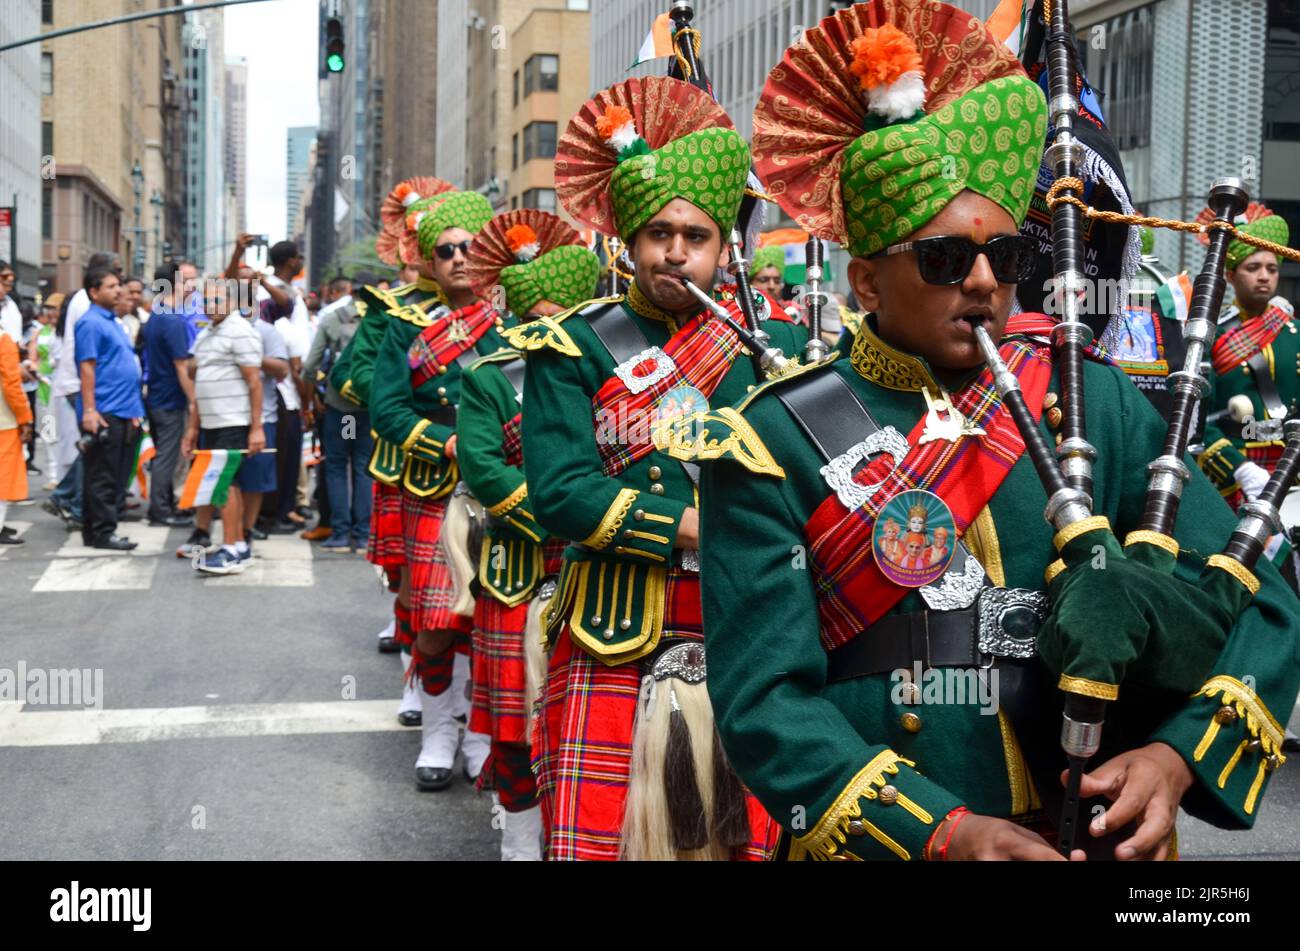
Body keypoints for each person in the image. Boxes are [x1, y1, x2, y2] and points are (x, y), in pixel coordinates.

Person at [687, 0, 1300, 861]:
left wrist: (1175, 756)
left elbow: (1255, 593)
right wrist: (942, 832)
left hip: (1096, 833)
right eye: (943, 259)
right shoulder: (773, 439)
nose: (983, 281)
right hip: (896, 835)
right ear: (866, 281)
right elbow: (764, 702)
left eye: (1006, 257)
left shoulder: (1095, 399)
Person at [507, 74, 805, 861]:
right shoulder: (572, 345)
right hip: (613, 629)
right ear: (628, 243)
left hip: (738, 626)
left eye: (696, 236)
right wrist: (696, 525)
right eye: (658, 233)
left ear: (723, 247)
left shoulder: (769, 353)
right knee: (598, 847)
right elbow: (564, 494)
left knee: (735, 844)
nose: (676, 251)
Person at [454, 209, 602, 859]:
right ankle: (518, 842)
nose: (547, 325)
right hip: (520, 570)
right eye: (536, 312)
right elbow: (483, 464)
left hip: (598, 569)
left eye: (559, 312)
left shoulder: (607, 371)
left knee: (582, 720)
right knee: (516, 725)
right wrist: (564, 508)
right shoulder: (490, 376)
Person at [369, 184, 504, 791]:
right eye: (445, 249)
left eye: (468, 247)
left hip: (497, 490)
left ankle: (478, 735)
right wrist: (448, 443)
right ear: (430, 257)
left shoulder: (512, 324)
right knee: (433, 620)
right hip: (434, 488)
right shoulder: (403, 325)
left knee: (486, 619)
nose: (456, 257)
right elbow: (386, 409)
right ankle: (436, 733)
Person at [179, 278, 266, 574]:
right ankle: (238, 545)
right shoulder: (206, 334)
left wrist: (256, 428)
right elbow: (198, 381)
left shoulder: (240, 331)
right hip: (211, 421)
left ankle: (231, 548)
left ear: (231, 302)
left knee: (224, 482)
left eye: (217, 300)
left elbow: (255, 383)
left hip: (234, 420)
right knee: (227, 482)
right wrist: (192, 430)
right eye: (207, 300)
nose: (210, 305)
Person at [47, 252, 120, 528]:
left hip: (80, 383)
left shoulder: (83, 300)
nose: (118, 285)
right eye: (113, 279)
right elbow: (88, 359)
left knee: (91, 447)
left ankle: (66, 496)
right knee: (94, 448)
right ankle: (73, 502)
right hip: (81, 384)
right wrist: (90, 405)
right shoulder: (87, 304)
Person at [74, 268, 143, 552]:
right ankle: (103, 532)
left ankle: (94, 531)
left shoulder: (114, 321)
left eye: (119, 286)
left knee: (110, 474)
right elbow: (87, 367)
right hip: (105, 410)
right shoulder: (91, 322)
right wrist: (90, 410)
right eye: (112, 286)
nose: (118, 291)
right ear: (94, 291)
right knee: (104, 476)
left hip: (124, 409)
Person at [305, 275, 371, 552]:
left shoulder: (332, 319)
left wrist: (312, 399)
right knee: (363, 467)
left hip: (339, 408)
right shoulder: (378, 322)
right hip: (367, 407)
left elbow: (311, 364)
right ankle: (364, 534)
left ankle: (341, 534)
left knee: (336, 466)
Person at [140, 263, 197, 528]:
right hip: (169, 399)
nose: (192, 287)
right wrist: (194, 400)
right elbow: (181, 365)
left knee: (166, 453)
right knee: (167, 456)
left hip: (158, 395)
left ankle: (164, 505)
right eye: (186, 282)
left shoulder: (156, 316)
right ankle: (160, 510)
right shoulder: (171, 321)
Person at [0, 303, 33, 545]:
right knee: (4, 475)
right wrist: (24, 418)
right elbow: (12, 384)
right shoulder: (4, 340)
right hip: (4, 419)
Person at [30, 293, 62, 488]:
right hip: (44, 388)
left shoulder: (69, 331)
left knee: (65, 434)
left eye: (55, 308)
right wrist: (33, 368)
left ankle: (63, 473)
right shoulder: (39, 332)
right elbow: (33, 358)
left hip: (64, 389)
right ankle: (53, 474)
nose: (51, 312)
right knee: (48, 431)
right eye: (48, 308)